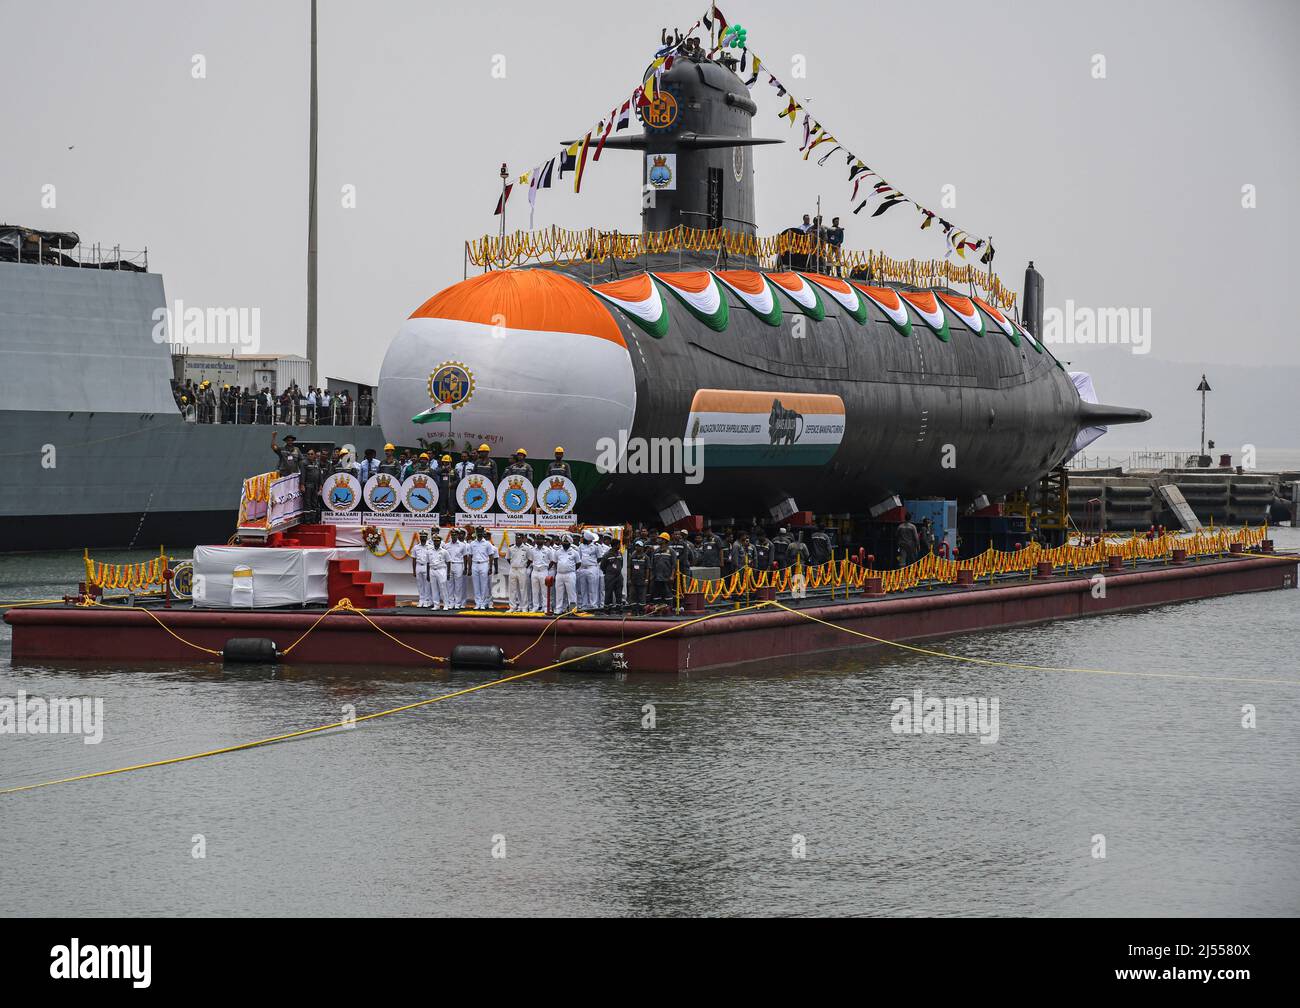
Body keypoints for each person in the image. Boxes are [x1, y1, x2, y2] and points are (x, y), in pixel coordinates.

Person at [551, 534, 580, 612]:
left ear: (570, 543)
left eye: (567, 542)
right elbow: (555, 562)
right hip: (559, 574)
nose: (565, 543)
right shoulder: (557, 552)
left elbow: (578, 564)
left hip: (570, 574)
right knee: (559, 593)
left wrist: (571, 569)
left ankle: (572, 610)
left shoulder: (574, 552)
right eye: (564, 542)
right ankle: (558, 609)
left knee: (571, 593)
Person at [469, 527, 496, 609]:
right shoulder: (472, 543)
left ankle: (483, 603)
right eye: (478, 531)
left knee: (484, 585)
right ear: (476, 532)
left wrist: (490, 567)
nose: (479, 533)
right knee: (476, 585)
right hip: (474, 564)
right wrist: (469, 568)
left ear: (483, 532)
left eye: (481, 531)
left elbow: (491, 556)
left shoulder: (487, 543)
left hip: (484, 564)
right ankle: (478, 603)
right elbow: (470, 556)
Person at [528, 533, 554, 613]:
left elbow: (552, 561)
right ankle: (535, 607)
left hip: (543, 571)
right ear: (535, 540)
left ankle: (546, 607)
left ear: (544, 540)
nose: (539, 540)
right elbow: (530, 560)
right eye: (538, 539)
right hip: (535, 571)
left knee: (545, 591)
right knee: (535, 591)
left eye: (541, 539)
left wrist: (546, 568)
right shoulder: (532, 550)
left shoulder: (548, 550)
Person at [649, 534, 676, 607]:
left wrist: (672, 576)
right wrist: (652, 576)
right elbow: (652, 564)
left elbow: (674, 565)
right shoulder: (656, 551)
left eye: (660, 538)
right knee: (657, 594)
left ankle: (669, 609)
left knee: (667, 593)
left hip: (666, 577)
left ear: (664, 540)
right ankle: (658, 609)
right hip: (657, 577)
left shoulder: (671, 551)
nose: (658, 540)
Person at [578, 530, 602, 610]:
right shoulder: (581, 546)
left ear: (587, 538)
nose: (582, 539)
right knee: (583, 589)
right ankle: (584, 605)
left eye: (583, 538)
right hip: (583, 569)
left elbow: (599, 558)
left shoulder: (596, 546)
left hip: (592, 568)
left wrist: (591, 563)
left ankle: (593, 605)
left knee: (593, 588)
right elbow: (580, 557)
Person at [427, 533, 451, 610]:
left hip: (441, 570)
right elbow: (428, 563)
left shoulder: (444, 551)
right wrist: (428, 574)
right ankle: (436, 605)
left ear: (440, 542)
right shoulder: (429, 551)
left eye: (438, 541)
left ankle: (446, 604)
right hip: (432, 570)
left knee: (443, 587)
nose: (436, 542)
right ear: (433, 542)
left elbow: (448, 562)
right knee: (434, 588)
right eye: (435, 541)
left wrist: (448, 573)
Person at [507, 533, 530, 612]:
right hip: (513, 569)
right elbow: (508, 558)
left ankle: (524, 607)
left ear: (523, 539)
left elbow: (530, 559)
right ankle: (512, 607)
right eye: (517, 538)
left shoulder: (526, 548)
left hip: (522, 569)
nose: (518, 540)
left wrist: (524, 566)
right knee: (512, 589)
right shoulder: (511, 548)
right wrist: (513, 564)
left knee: (523, 589)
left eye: (519, 538)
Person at [299, 448, 324, 522]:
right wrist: (302, 484)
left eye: (311, 454)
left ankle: (313, 519)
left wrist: (321, 485)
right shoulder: (304, 463)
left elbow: (320, 475)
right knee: (307, 502)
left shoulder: (317, 463)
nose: (310, 455)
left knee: (314, 502)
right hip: (307, 485)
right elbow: (302, 474)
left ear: (315, 455)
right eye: (308, 454)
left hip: (315, 486)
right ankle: (307, 519)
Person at [411, 531, 433, 608]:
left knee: (427, 584)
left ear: (426, 537)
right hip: (418, 566)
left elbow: (431, 559)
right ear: (419, 537)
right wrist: (414, 570)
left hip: (426, 566)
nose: (423, 538)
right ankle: (421, 600)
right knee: (420, 584)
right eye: (421, 536)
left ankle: (427, 600)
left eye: (424, 537)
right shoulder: (416, 547)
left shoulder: (430, 547)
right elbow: (414, 559)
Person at [600, 537, 624, 609]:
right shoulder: (607, 554)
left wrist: (618, 570)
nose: (619, 546)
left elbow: (621, 564)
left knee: (619, 592)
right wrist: (608, 572)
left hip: (619, 576)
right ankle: (607, 609)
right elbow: (602, 566)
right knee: (608, 592)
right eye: (618, 545)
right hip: (610, 576)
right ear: (615, 545)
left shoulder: (620, 553)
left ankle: (619, 608)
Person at [627, 540, 650, 611]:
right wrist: (629, 579)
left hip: (642, 580)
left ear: (642, 547)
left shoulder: (646, 557)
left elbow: (647, 569)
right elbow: (629, 567)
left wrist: (646, 579)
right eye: (636, 546)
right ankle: (634, 610)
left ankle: (641, 610)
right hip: (633, 580)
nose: (637, 547)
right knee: (633, 595)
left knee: (642, 595)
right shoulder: (632, 557)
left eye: (639, 546)